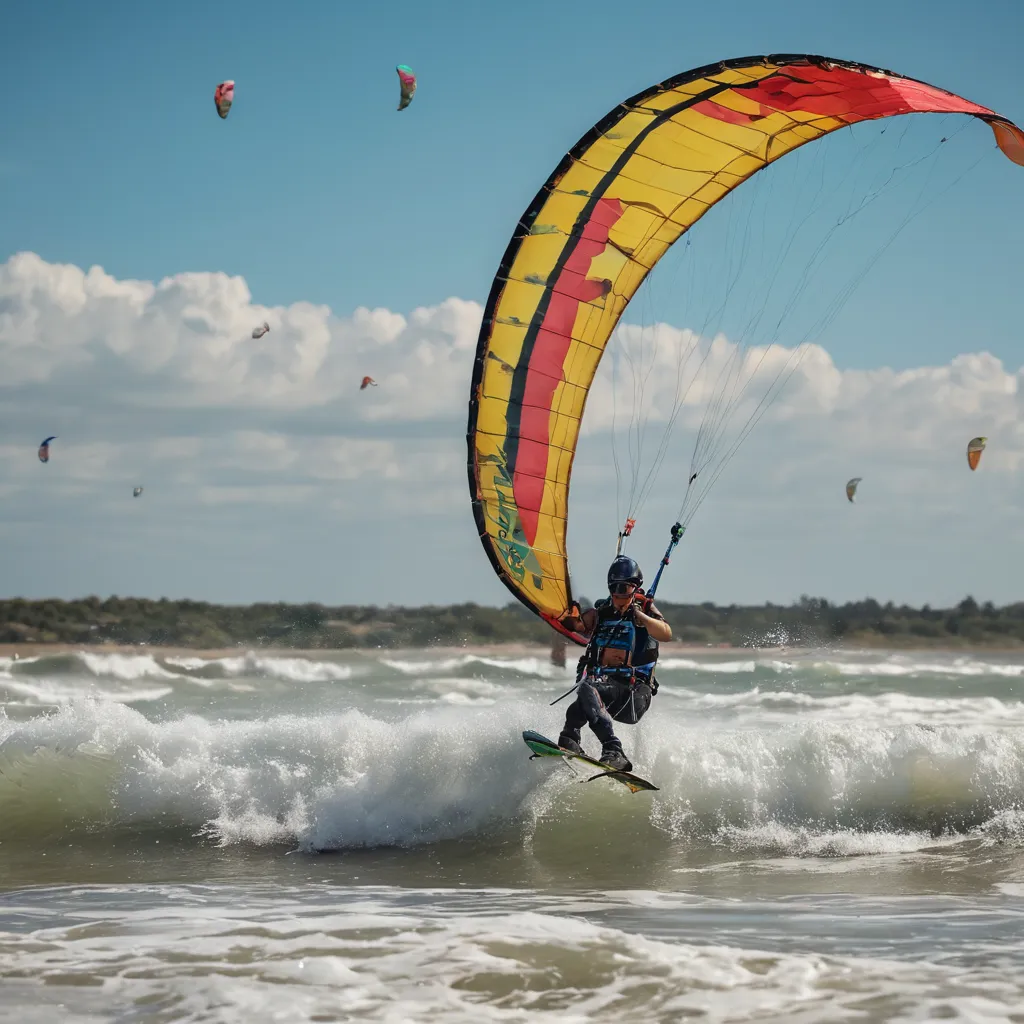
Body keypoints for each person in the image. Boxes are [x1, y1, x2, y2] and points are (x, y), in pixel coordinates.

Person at [557, 555, 672, 772]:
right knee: (581, 701)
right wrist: (566, 613)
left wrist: (642, 618)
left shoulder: (645, 610)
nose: (619, 595)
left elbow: (666, 634)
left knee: (588, 688)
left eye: (625, 589)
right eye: (614, 588)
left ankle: (613, 750)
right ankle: (569, 739)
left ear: (635, 587)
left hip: (633, 696)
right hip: (608, 692)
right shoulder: (601, 613)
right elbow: (576, 625)